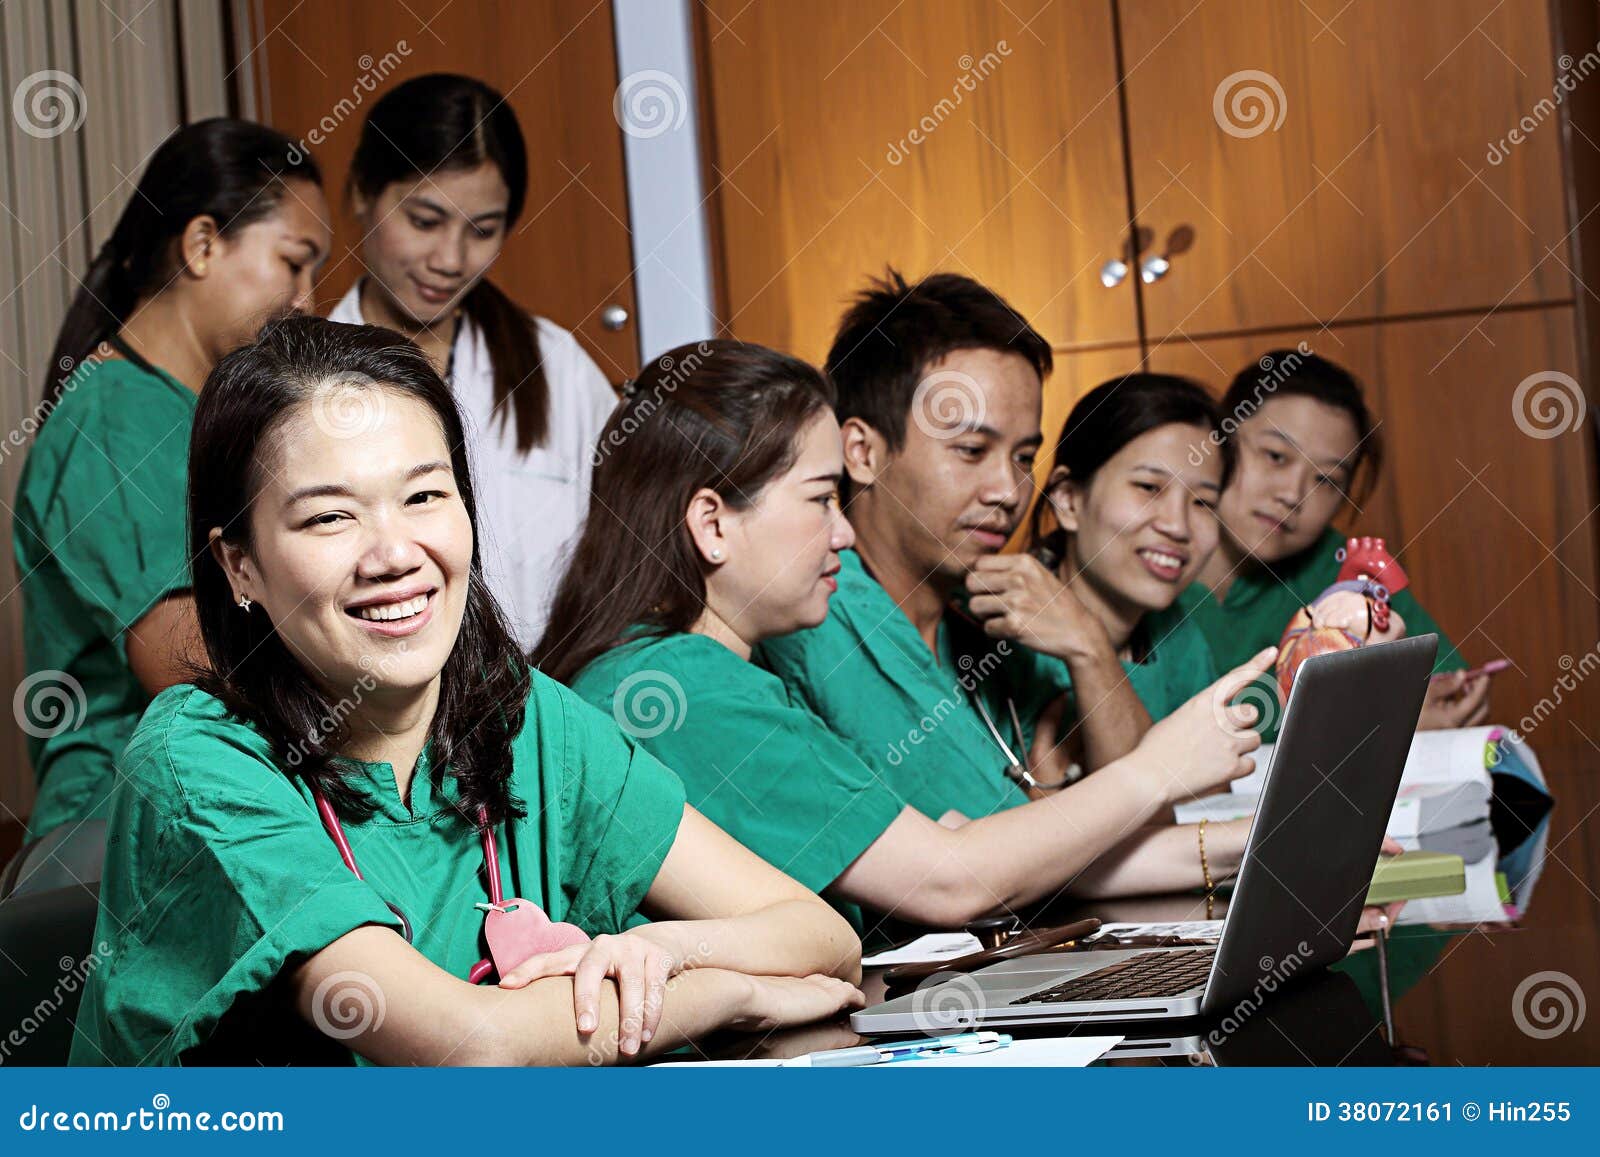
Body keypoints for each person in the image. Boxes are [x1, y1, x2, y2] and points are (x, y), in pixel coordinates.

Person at [71, 318, 861, 1067]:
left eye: (424, 496)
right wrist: (729, 992)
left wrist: (660, 951)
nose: (393, 554)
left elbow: (819, 935)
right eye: (329, 517)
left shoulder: (521, 716)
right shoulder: (195, 758)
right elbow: (468, 1047)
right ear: (239, 564)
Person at [540, 338, 1274, 943]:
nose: (844, 530)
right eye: (820, 498)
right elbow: (953, 876)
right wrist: (1158, 768)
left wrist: (1263, 836)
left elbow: (965, 846)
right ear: (712, 523)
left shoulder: (707, 670)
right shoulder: (686, 689)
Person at [12, 118, 331, 843]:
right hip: (118, 828)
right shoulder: (112, 414)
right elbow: (183, 658)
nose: (308, 297)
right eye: (293, 260)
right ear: (201, 244)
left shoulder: (190, 413)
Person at [331, 72, 616, 648]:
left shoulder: (555, 366)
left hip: (551, 704)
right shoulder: (300, 383)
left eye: (481, 231)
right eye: (424, 221)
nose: (451, 259)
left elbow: (632, 552)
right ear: (363, 192)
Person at [1154, 351, 1479, 737]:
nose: (1292, 495)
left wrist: (1440, 708)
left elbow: (1446, 686)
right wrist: (1371, 723)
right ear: (1219, 441)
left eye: (1325, 481)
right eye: (1275, 456)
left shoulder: (1345, 569)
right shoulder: (1148, 554)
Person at [972, 374, 1229, 751]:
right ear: (1069, 500)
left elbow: (1217, 780)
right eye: (1147, 487)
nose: (1178, 527)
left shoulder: (1178, 635)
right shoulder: (994, 636)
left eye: (1203, 503)